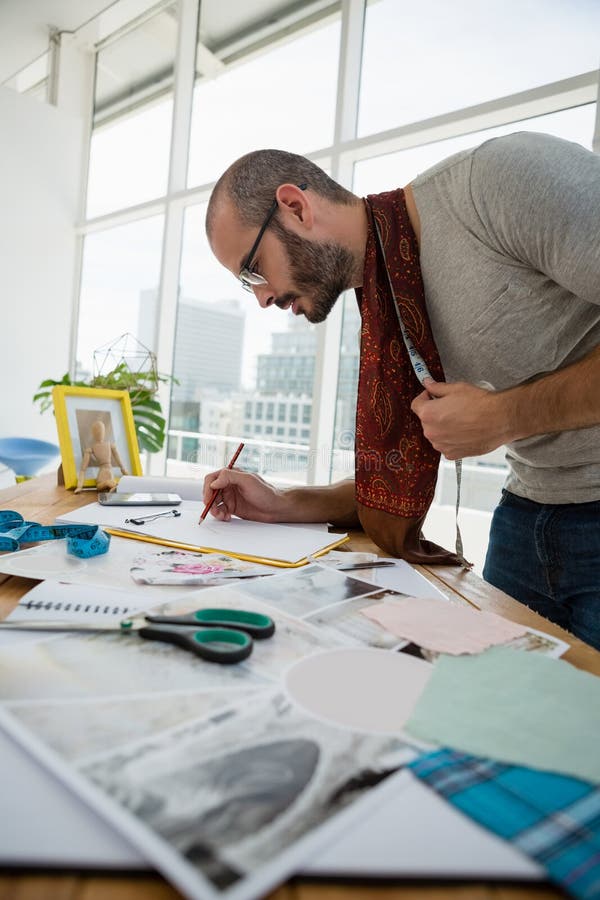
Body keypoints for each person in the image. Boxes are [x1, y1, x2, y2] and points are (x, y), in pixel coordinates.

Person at [203, 132, 600, 649]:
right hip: (526, 518)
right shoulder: (391, 290)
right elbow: (394, 476)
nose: (260, 298)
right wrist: (283, 503)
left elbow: (503, 416)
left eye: (252, 271)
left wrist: (507, 417)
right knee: (488, 713)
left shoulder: (499, 182)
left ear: (295, 207)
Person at [74, 419, 129, 493]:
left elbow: (120, 463)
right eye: (96, 431)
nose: (99, 432)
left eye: (101, 430)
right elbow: (83, 470)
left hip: (109, 472)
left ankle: (113, 487)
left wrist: (126, 473)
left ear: (104, 431)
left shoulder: (110, 445)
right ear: (93, 433)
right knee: (102, 485)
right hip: (102, 474)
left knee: (110, 482)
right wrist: (79, 486)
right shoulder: (90, 449)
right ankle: (113, 487)